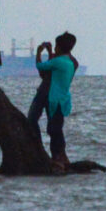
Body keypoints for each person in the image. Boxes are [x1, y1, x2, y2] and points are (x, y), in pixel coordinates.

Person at [35, 33, 79, 170]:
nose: (54, 48)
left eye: (56, 46)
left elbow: (41, 67)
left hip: (54, 99)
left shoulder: (58, 61)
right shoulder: (72, 62)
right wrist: (50, 52)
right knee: (57, 128)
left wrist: (38, 53)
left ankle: (57, 157)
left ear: (59, 47)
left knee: (53, 129)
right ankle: (62, 156)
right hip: (63, 100)